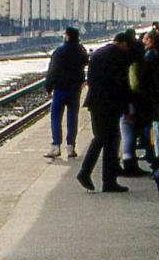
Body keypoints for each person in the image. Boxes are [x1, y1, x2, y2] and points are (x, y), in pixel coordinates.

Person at [77, 31, 133, 192]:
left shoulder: (98, 53)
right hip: (110, 104)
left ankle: (108, 179)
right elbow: (121, 85)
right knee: (105, 138)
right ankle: (88, 173)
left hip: (95, 102)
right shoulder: (119, 57)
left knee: (107, 138)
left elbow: (90, 80)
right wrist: (127, 108)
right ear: (123, 43)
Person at [44, 26, 88, 158]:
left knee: (56, 117)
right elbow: (85, 63)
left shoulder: (59, 51)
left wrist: (48, 88)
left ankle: (56, 147)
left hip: (60, 89)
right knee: (72, 117)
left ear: (67, 36)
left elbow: (52, 71)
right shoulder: (81, 50)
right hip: (75, 90)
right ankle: (70, 147)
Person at [120, 29, 151, 176]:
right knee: (130, 130)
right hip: (136, 100)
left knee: (128, 130)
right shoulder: (140, 59)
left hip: (131, 99)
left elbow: (131, 84)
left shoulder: (127, 60)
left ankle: (129, 163)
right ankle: (130, 164)